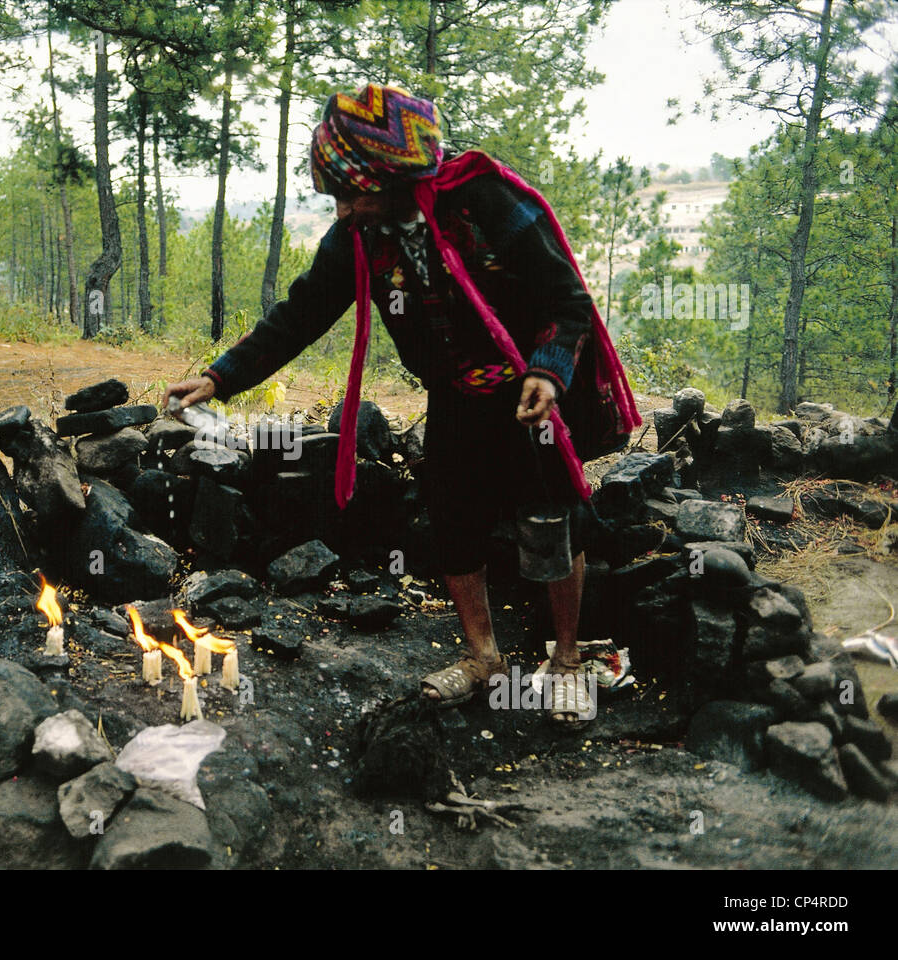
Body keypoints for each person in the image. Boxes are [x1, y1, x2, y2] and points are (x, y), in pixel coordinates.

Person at [163, 83, 637, 724]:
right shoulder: (361, 235)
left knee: (550, 518)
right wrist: (221, 378)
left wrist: (548, 374)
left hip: (530, 397)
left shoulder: (482, 200)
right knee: (451, 517)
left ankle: (568, 661)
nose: (343, 209)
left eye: (350, 192)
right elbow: (299, 315)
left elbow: (567, 298)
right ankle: (483, 658)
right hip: (455, 397)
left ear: (391, 178)